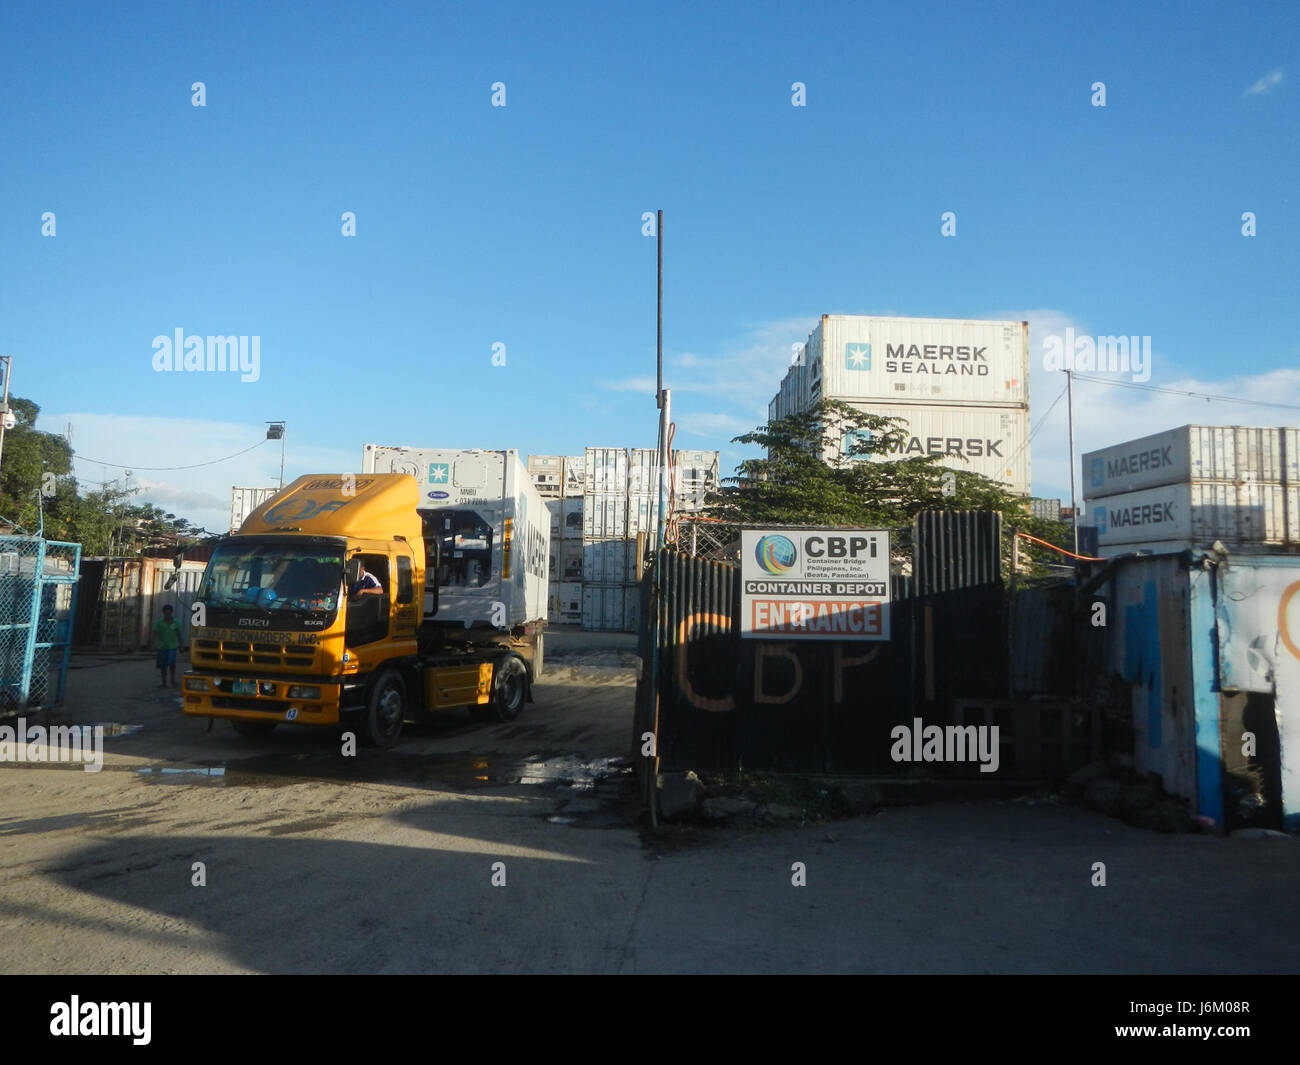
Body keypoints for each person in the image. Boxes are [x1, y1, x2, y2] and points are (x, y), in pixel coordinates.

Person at [152, 604, 183, 687]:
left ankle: (172, 680)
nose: (167, 615)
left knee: (172, 664)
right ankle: (164, 682)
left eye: (169, 613)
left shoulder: (176, 623)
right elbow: (154, 633)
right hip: (162, 647)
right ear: (163, 613)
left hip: (172, 647)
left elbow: (179, 634)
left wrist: (181, 645)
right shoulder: (159, 623)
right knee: (163, 665)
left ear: (171, 613)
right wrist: (154, 644)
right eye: (166, 613)